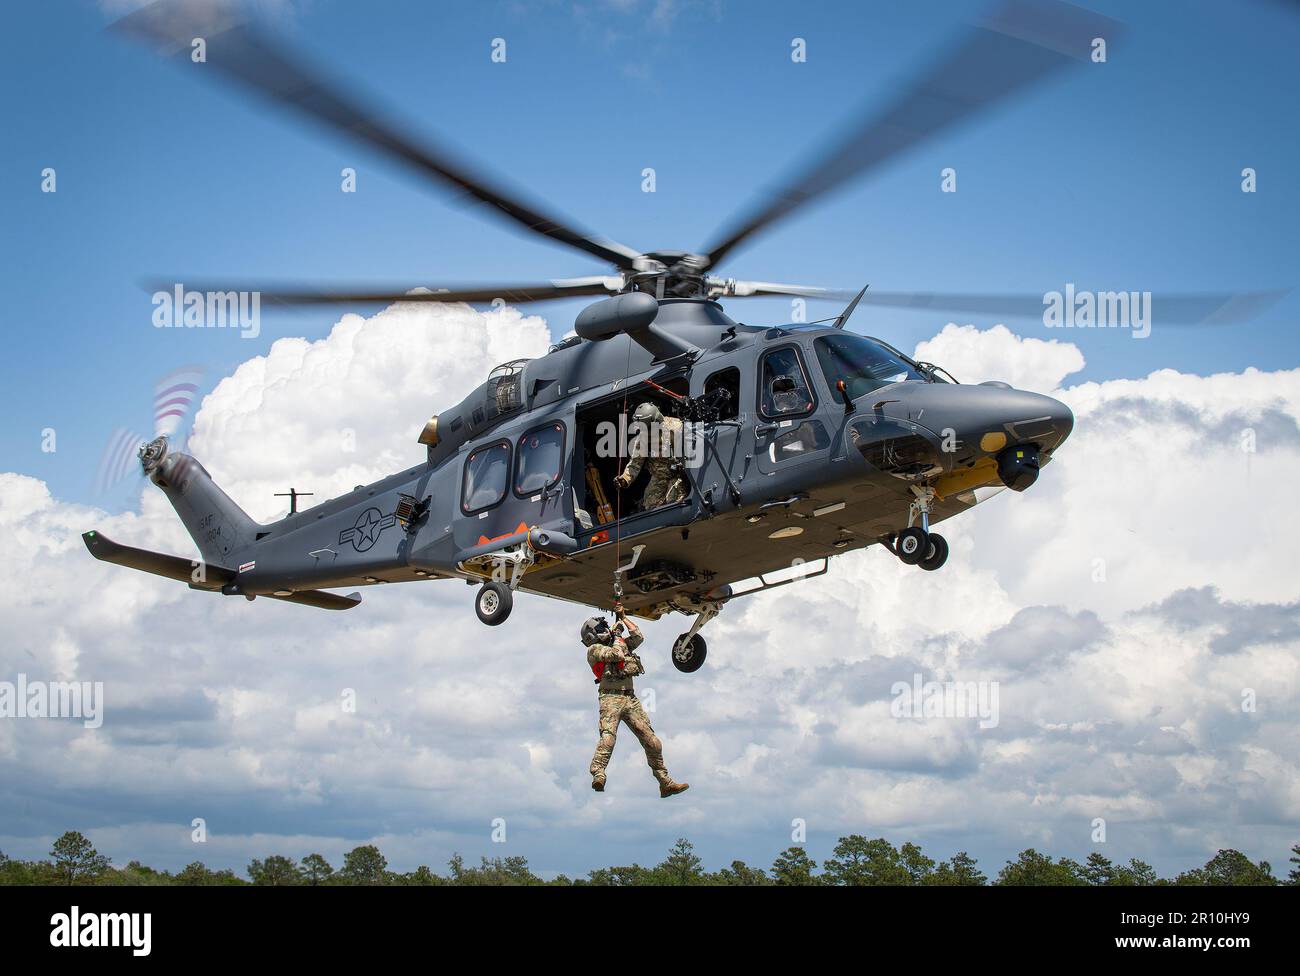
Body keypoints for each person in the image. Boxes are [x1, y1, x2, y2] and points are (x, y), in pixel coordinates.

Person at [582, 605, 689, 798]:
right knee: (608, 737)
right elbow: (617, 655)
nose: (606, 630)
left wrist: (623, 617)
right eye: (601, 629)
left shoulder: (618, 642)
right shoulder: (594, 650)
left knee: (652, 741)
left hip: (629, 697)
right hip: (610, 697)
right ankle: (598, 773)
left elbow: (638, 636)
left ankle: (665, 782)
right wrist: (616, 636)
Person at [614, 401, 686, 510]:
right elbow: (635, 463)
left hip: (678, 475)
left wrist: (684, 467)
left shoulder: (675, 428)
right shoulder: (643, 438)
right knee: (650, 505)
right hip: (658, 476)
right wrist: (624, 479)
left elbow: (691, 449)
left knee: (673, 501)